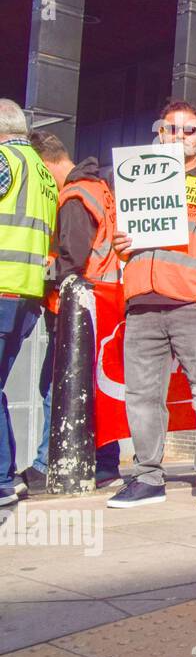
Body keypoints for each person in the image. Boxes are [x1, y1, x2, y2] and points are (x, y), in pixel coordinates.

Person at [107, 100, 196, 510]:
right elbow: (128, 245)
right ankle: (148, 477)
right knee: (141, 396)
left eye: (189, 130)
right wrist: (122, 247)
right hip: (142, 304)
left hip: (194, 305)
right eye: (172, 129)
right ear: (160, 133)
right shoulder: (137, 179)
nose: (180, 135)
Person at [20, 131, 122, 493]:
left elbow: (73, 261)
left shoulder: (74, 196)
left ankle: (47, 463)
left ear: (46, 166)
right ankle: (106, 464)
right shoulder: (98, 188)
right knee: (93, 387)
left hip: (76, 308)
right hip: (102, 303)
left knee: (54, 385)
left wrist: (43, 274)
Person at [0, 100, 57, 506]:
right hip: (27, 294)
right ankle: (7, 477)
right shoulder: (43, 172)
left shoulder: (4, 159)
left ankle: (3, 479)